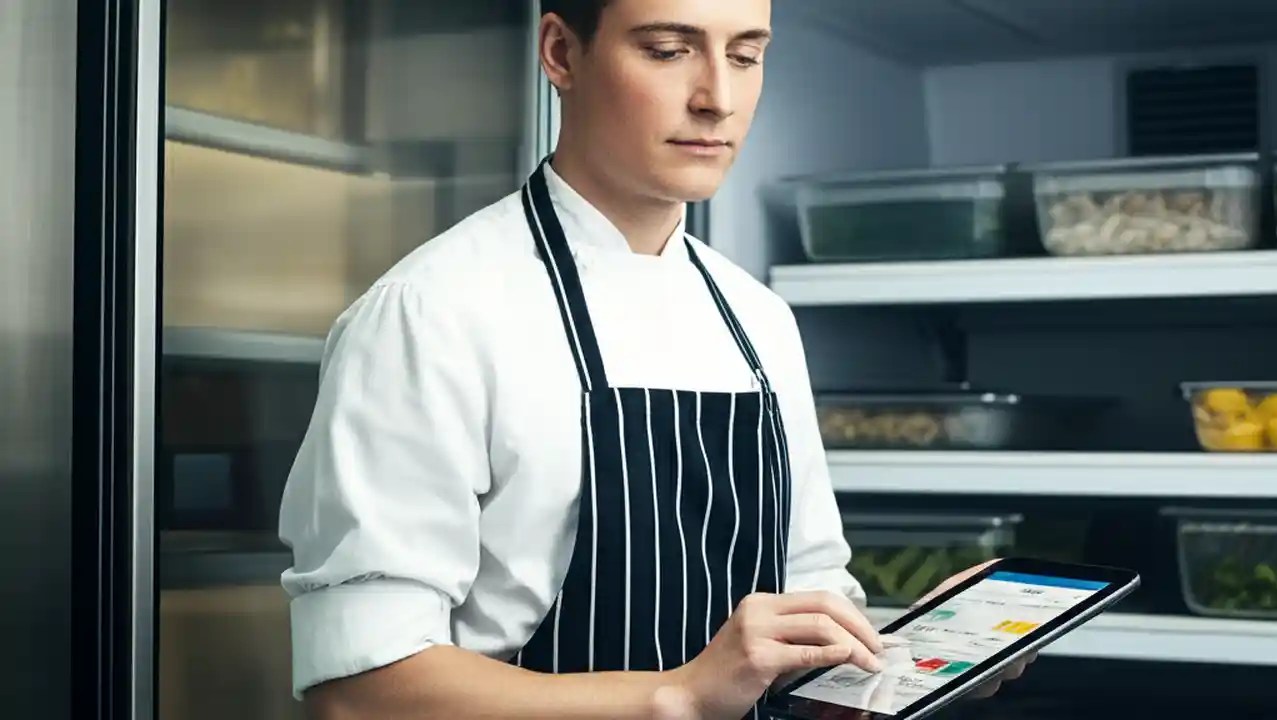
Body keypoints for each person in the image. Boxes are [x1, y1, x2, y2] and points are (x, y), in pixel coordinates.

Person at [277, 0, 1031, 718]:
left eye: (746, 55)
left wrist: (921, 657)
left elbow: (801, 636)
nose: (717, 98)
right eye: (669, 51)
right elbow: (359, 692)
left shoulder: (757, 319)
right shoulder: (432, 311)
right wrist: (679, 698)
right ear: (561, 52)